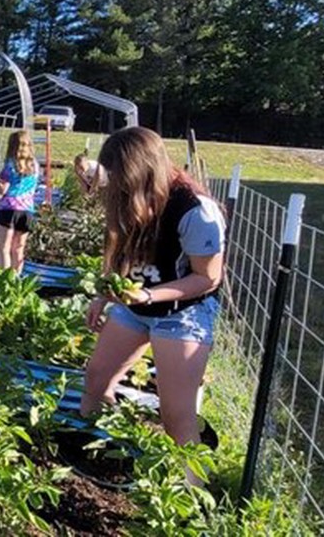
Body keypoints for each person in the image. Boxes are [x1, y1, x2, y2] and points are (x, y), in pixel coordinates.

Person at [79, 126, 226, 485]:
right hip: (135, 305)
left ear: (145, 172)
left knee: (176, 415)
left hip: (183, 313)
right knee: (97, 378)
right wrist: (104, 293)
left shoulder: (195, 211)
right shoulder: (127, 192)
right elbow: (121, 252)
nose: (117, 190)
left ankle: (192, 496)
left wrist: (148, 296)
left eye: (123, 182)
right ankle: (98, 450)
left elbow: (207, 279)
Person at [0, 129, 41, 275]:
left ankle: (5, 282)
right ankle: (16, 281)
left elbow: (3, 189)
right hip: (27, 212)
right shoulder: (35, 165)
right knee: (18, 250)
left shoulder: (10, 165)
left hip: (9, 209)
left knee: (4, 248)